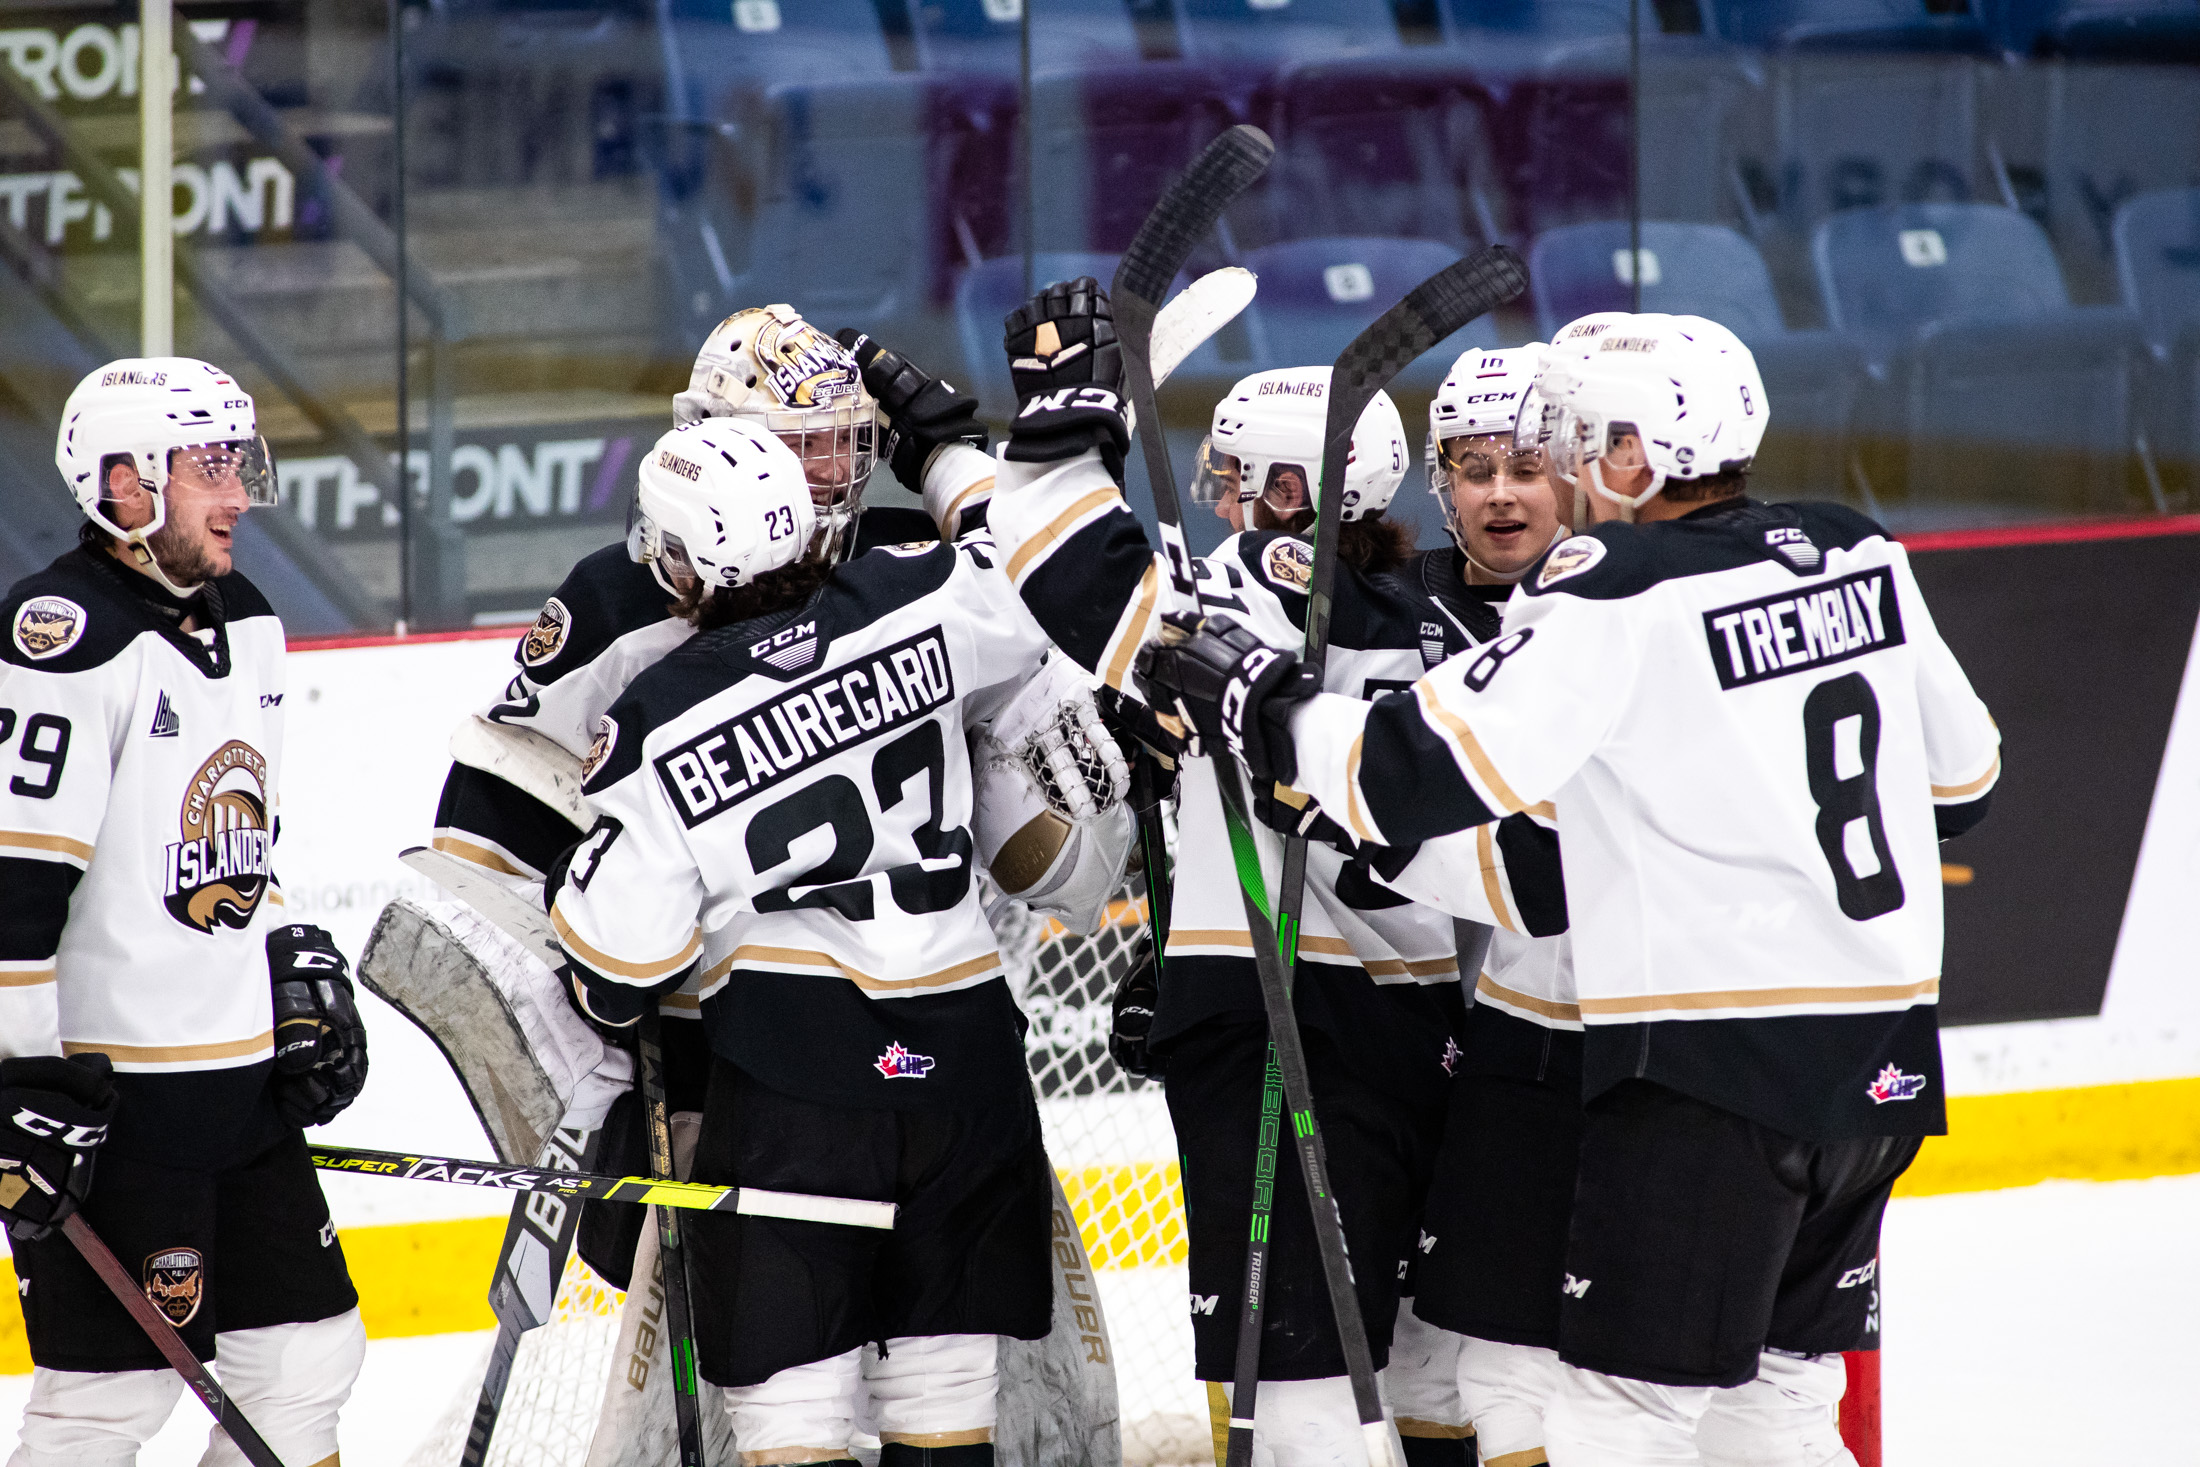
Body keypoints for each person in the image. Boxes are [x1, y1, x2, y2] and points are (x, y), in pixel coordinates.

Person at [1138, 314, 2000, 1467]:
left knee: (1610, 1416)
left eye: (1575, 438)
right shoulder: (1859, 549)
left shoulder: (1618, 583)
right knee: (1778, 1400)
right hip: (1879, 1067)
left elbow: (1415, 771)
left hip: (1708, 1066)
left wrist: (1269, 709)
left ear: (1635, 454)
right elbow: (1965, 782)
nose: (1555, 465)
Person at [986, 279, 1553, 1467]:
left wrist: (1051, 417)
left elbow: (1053, 558)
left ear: (1291, 491)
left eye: (1239, 481)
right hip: (1441, 1034)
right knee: (1424, 1369)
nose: (1222, 503)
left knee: (1295, 1388)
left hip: (1283, 1015)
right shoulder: (1452, 621)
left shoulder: (1237, 590)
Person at [549, 408, 1126, 1467]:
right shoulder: (924, 590)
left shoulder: (660, 711)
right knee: (946, 1395)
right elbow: (1061, 577)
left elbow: (619, 963)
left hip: (791, 1080)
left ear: (680, 557)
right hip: (966, 1063)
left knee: (796, 1417)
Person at [0, 358, 369, 1467]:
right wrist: (21, 1086)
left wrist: (290, 967)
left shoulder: (248, 618)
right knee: (108, 1403)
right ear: (123, 486)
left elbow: (239, 840)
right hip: (116, 1102)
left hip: (239, 1085)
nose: (240, 493)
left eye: (238, 463)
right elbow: (15, 890)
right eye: (210, 466)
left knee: (307, 1358)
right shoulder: (59, 641)